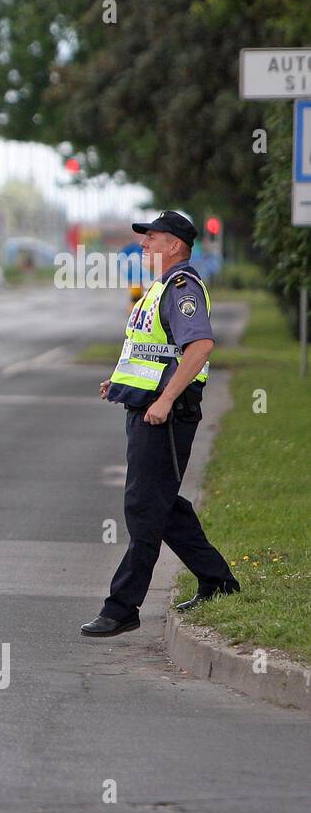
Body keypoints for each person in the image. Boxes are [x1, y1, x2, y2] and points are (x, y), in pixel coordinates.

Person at [82, 211, 240, 637]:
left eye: (153, 237)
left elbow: (200, 345)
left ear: (176, 245)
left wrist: (166, 399)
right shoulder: (159, 287)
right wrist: (118, 382)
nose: (145, 243)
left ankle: (122, 608)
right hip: (148, 409)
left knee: (145, 508)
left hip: (166, 415)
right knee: (164, 504)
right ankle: (218, 580)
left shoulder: (182, 287)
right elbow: (154, 351)